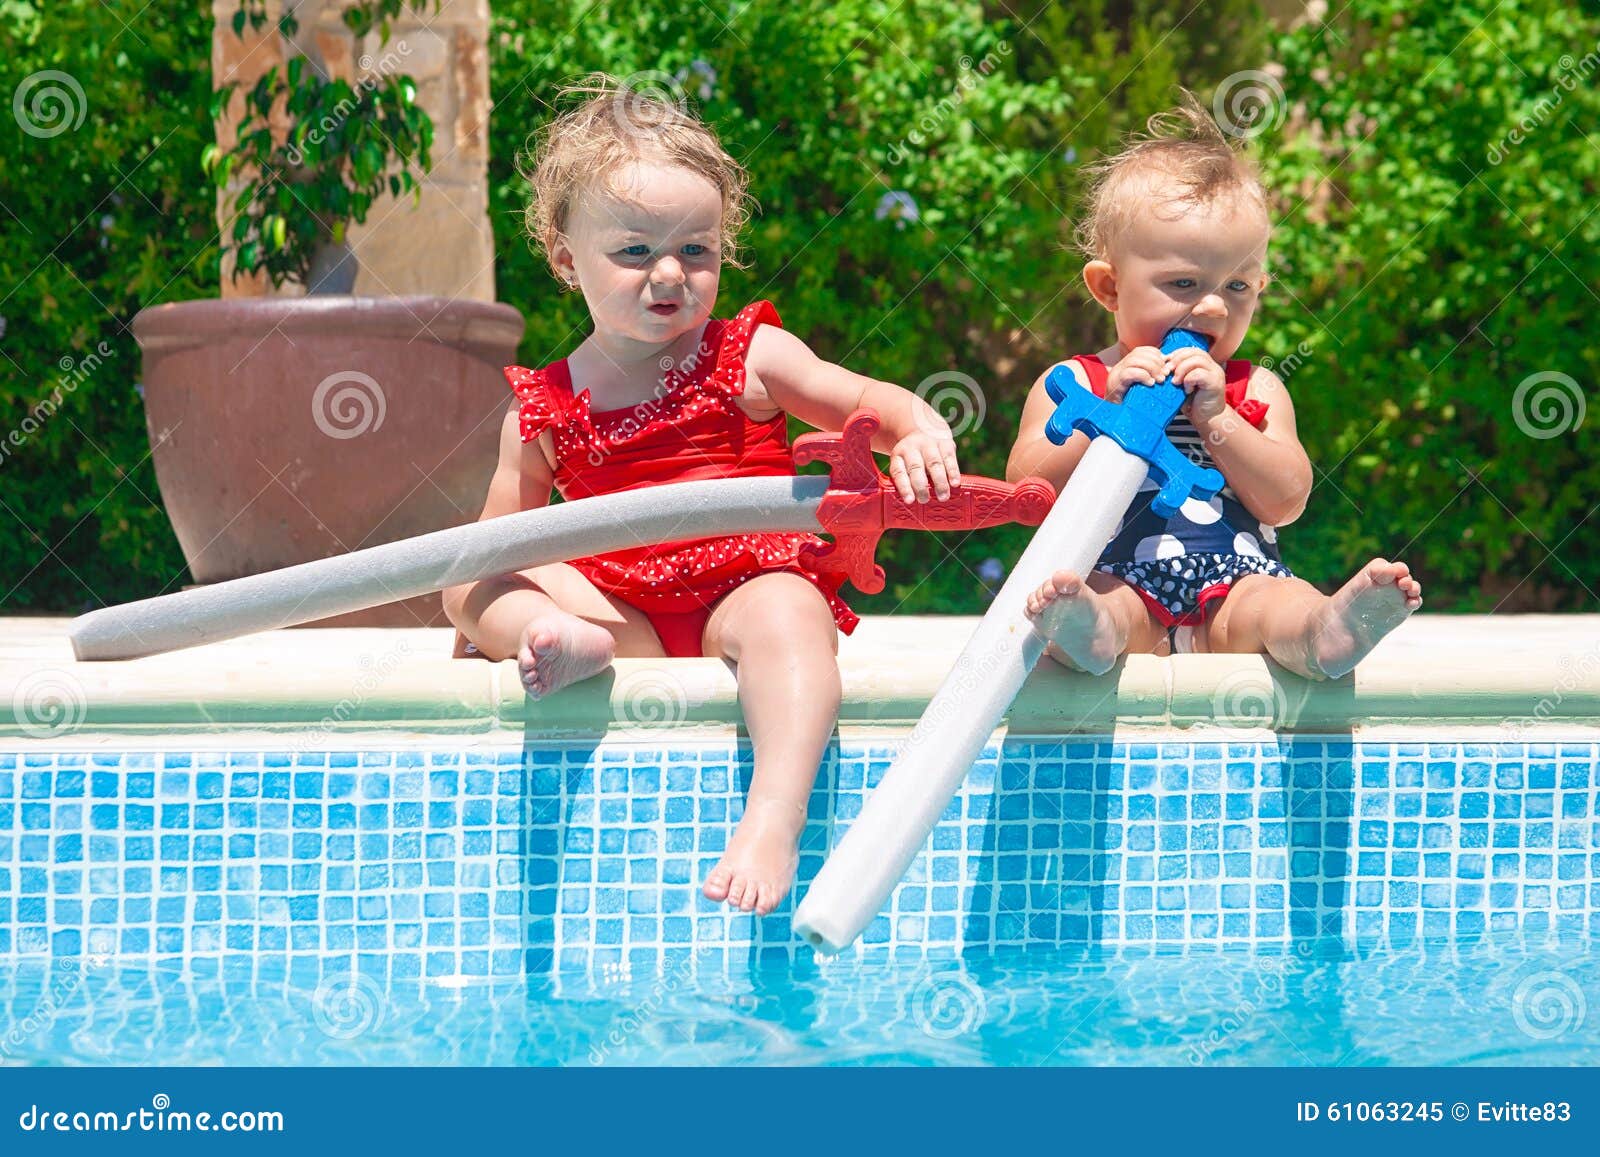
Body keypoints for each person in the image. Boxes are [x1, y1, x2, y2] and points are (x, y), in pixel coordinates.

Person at [444, 75, 963, 915]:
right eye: (635, 251)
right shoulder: (542, 409)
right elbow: (484, 554)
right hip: (621, 615)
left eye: (697, 250)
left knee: (791, 615)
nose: (670, 274)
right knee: (473, 580)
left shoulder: (750, 355)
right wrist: (492, 614)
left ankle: (772, 816)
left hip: (738, 587)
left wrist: (917, 428)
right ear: (566, 257)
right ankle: (559, 640)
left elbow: (865, 396)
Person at [1007, 96, 1421, 677]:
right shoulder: (1077, 382)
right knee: (1102, 602)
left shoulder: (1256, 389)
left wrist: (1220, 420)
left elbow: (1287, 498)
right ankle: (1089, 632)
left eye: (1237, 286)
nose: (1212, 307)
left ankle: (1324, 633)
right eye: (1183, 282)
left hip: (1236, 578)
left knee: (1277, 602)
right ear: (1109, 288)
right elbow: (1028, 491)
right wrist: (1108, 409)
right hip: (1118, 575)